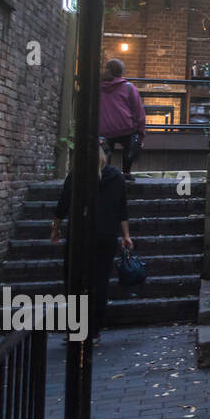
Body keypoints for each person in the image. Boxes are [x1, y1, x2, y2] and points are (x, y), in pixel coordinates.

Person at [51, 144, 131, 340]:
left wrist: (55, 228)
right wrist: (126, 236)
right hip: (106, 236)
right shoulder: (116, 176)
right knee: (100, 281)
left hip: (80, 235)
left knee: (75, 280)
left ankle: (76, 326)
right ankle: (94, 327)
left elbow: (62, 205)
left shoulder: (77, 174)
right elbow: (122, 209)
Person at [99, 58, 146, 180]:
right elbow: (139, 112)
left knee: (106, 151)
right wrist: (141, 134)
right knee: (131, 144)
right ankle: (126, 173)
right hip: (126, 127)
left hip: (103, 130)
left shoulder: (98, 87)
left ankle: (105, 174)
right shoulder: (129, 87)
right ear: (121, 72)